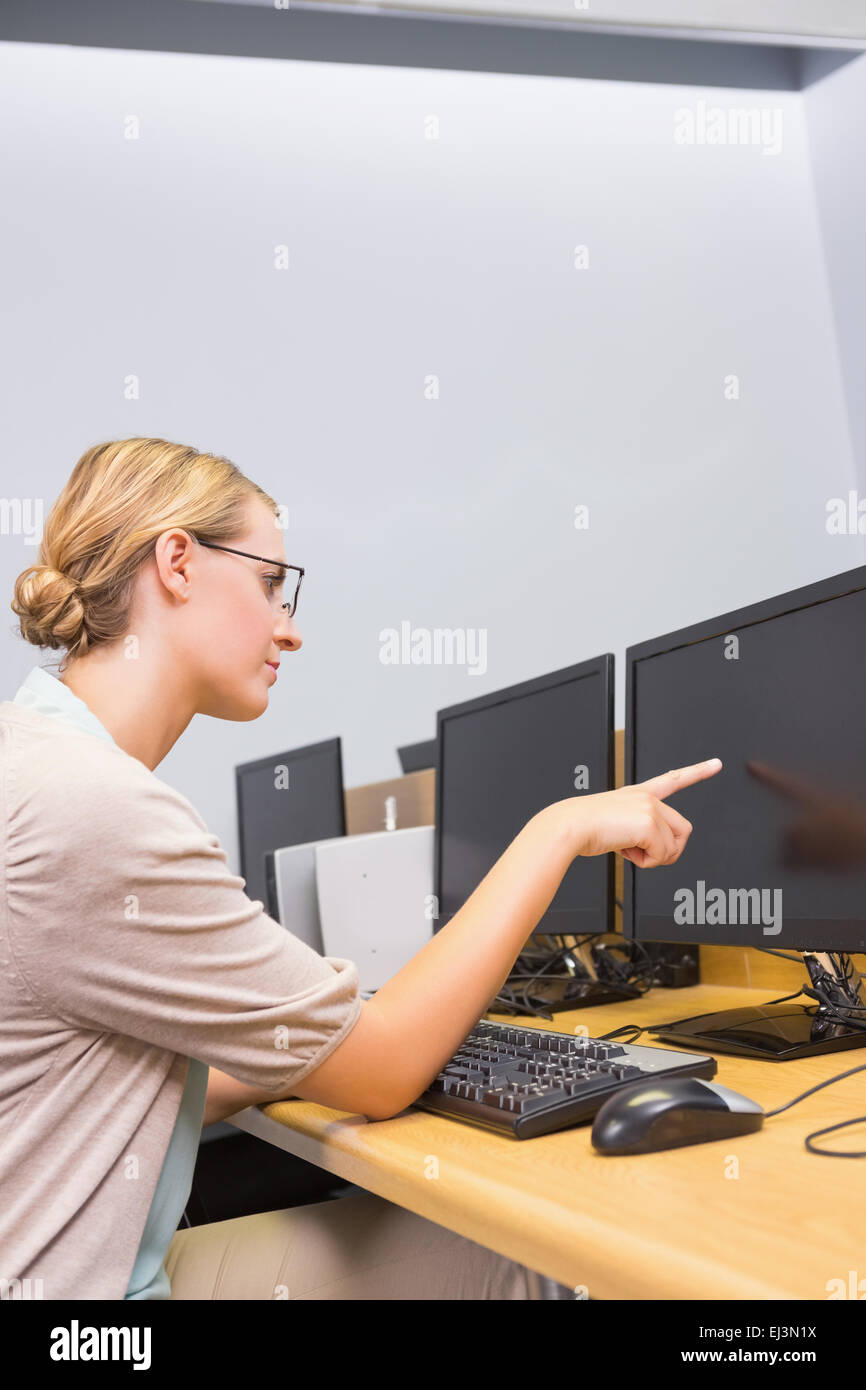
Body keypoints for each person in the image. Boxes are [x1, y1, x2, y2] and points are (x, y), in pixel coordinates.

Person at [0, 436, 721, 1300]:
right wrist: (557, 830)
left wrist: (299, 1042)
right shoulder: (95, 809)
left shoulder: (36, 763)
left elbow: (113, 1075)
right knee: (535, 1266)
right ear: (178, 563)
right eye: (272, 582)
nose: (290, 629)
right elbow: (381, 1075)